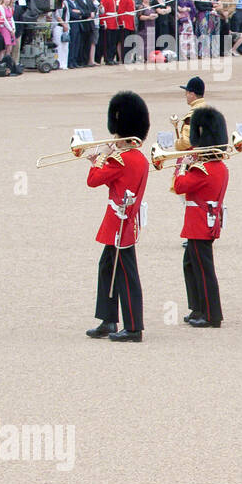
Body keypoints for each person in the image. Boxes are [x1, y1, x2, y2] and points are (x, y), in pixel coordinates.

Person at [85, 92, 150, 343]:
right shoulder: (138, 158)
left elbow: (93, 181)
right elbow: (116, 184)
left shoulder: (120, 159)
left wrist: (96, 159)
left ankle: (133, 327)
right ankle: (108, 319)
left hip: (119, 221)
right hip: (125, 220)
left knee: (125, 274)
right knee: (108, 269)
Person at [172, 106, 230, 328]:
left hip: (199, 223)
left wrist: (182, 166)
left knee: (202, 268)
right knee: (191, 264)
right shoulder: (219, 167)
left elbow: (179, 186)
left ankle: (210, 314)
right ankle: (197, 307)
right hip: (205, 220)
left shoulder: (202, 169)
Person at [175, 76, 207, 150]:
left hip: (196, 156)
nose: (185, 95)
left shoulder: (192, 115)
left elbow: (187, 142)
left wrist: (177, 144)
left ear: (192, 94)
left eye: (187, 93)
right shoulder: (210, 111)